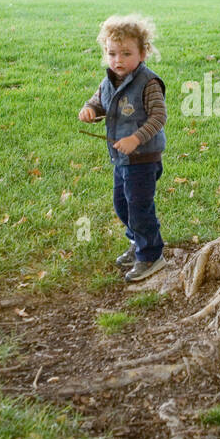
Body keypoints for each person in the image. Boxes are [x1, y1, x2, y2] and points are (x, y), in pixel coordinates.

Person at [77, 14, 167, 281]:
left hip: (143, 157)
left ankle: (151, 255)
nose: (118, 60)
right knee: (122, 204)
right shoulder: (109, 81)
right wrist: (89, 110)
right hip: (121, 158)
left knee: (139, 207)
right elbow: (99, 101)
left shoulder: (148, 83)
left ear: (143, 53)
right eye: (112, 53)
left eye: (126, 53)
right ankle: (137, 242)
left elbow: (158, 117)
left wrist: (135, 139)